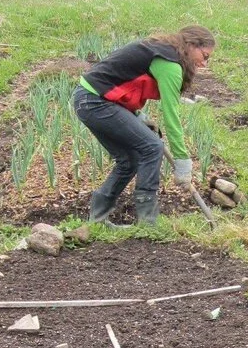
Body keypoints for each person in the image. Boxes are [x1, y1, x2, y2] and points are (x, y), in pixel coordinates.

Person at [73, 26, 216, 225]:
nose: (204, 63)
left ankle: (97, 220)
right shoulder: (170, 63)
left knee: (129, 160)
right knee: (151, 147)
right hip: (95, 101)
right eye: (205, 55)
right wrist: (182, 160)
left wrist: (137, 116)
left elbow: (126, 81)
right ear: (192, 45)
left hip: (90, 99)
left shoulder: (163, 51)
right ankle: (148, 222)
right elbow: (171, 115)